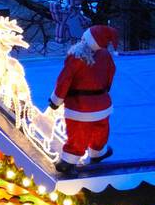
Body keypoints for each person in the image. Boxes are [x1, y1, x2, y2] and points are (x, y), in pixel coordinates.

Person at [49, 25, 118, 173]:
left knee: (78, 132)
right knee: (100, 129)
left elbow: (64, 80)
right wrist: (104, 91)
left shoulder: (76, 56)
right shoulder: (106, 55)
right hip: (102, 104)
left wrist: (56, 100)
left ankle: (68, 160)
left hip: (79, 106)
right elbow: (110, 74)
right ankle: (98, 152)